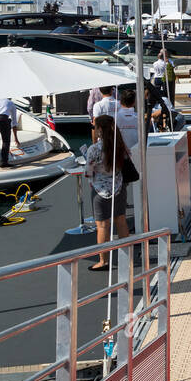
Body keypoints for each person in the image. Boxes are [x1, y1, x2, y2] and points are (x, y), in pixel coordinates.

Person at [86, 115, 128, 271]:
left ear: (100, 129)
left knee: (103, 226)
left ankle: (103, 261)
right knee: (121, 221)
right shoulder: (120, 146)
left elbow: (88, 172)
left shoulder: (94, 149)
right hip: (118, 187)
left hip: (100, 192)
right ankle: (126, 256)